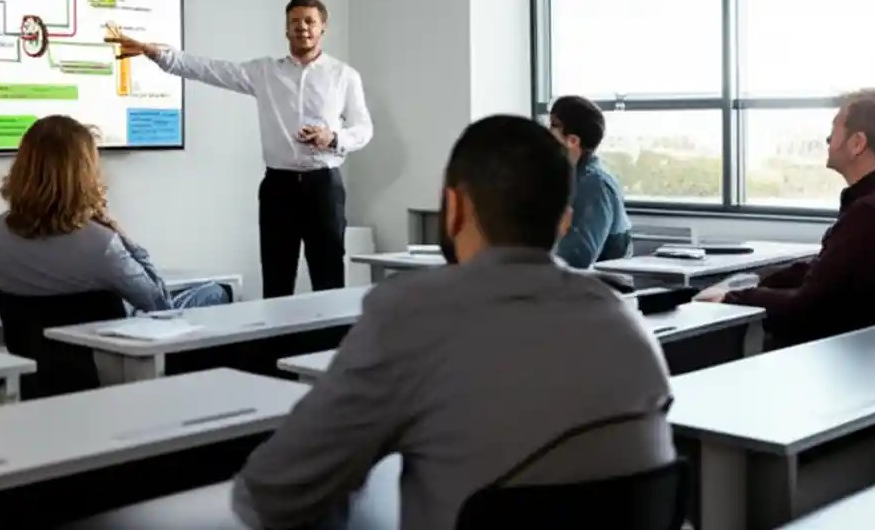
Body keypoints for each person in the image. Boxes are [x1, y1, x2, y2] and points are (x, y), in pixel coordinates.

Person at [231, 115, 674, 530]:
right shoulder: (626, 324)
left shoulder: (409, 315)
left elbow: (274, 491)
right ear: (564, 222)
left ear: (454, 208)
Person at [110, 0, 372, 298]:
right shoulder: (265, 72)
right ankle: (276, 345)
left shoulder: (343, 76)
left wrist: (334, 138)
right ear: (286, 29)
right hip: (279, 185)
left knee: (328, 278)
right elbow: (208, 69)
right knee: (276, 277)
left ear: (322, 28)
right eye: (295, 22)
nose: (302, 28)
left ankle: (331, 344)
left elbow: (364, 128)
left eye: (309, 21)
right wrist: (156, 54)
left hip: (324, 185)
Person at [697, 89, 875, 348]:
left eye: (835, 130)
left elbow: (810, 306)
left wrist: (732, 299)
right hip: (860, 355)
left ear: (857, 143)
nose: (829, 139)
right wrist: (756, 282)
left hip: (831, 359)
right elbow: (828, 273)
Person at [0, 115, 229, 313]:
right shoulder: (101, 244)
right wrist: (117, 232)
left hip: (41, 359)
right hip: (110, 358)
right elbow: (158, 303)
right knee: (215, 292)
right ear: (84, 174)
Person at [548, 96, 632, 268]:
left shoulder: (594, 184)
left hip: (592, 288)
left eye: (552, 126)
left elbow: (576, 259)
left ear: (572, 141)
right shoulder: (570, 177)